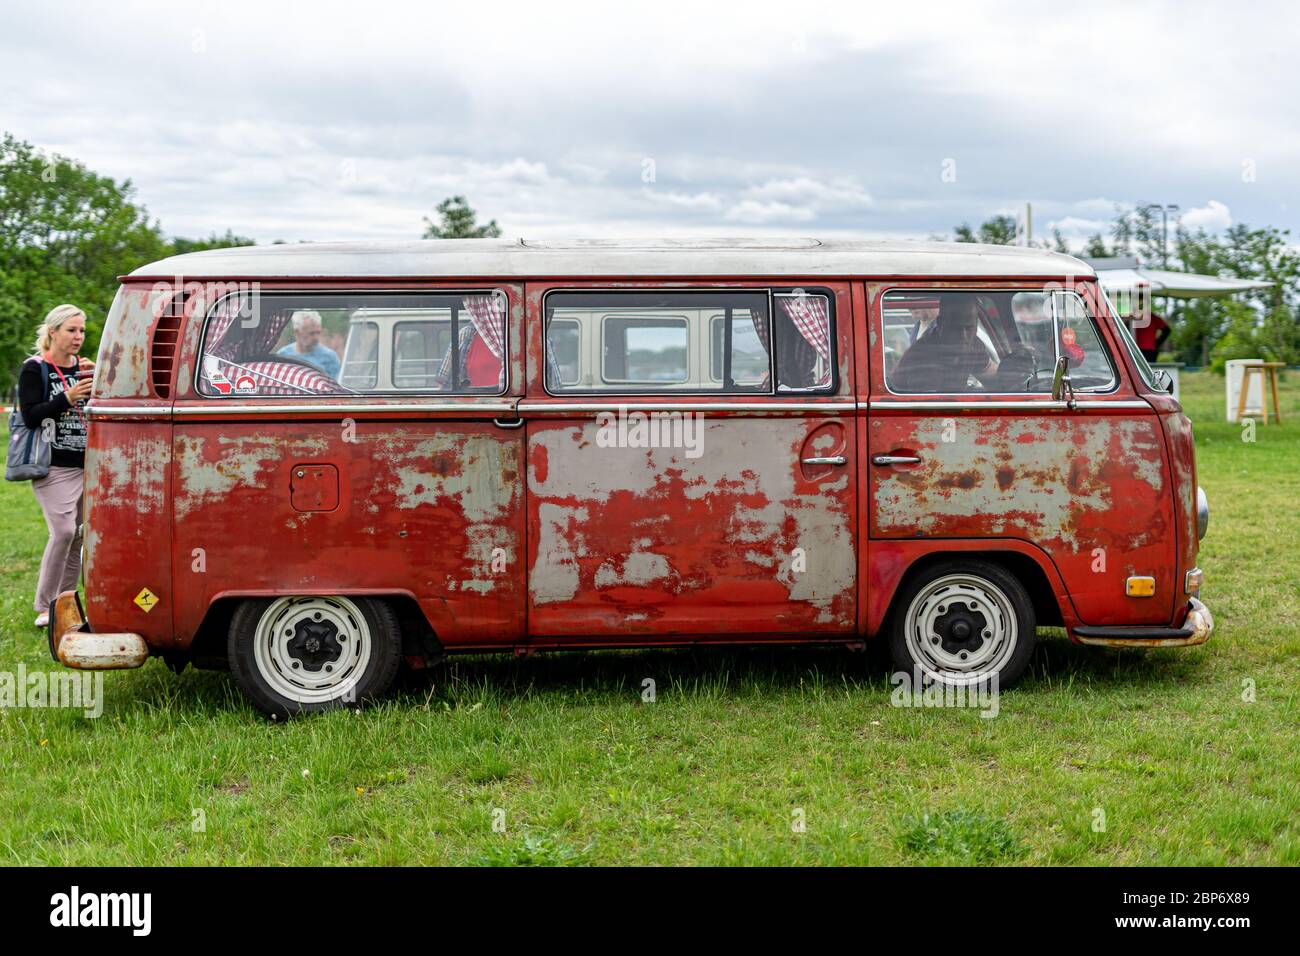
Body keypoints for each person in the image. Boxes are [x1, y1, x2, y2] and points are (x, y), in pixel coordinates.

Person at [19, 305, 94, 628]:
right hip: (53, 466)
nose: (78, 337)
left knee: (78, 535)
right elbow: (31, 416)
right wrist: (68, 396)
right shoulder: (35, 368)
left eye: (82, 331)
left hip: (88, 463)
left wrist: (101, 375)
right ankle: (44, 605)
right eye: (71, 330)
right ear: (53, 332)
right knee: (63, 531)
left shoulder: (86, 368)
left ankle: (64, 603)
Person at [892, 295, 999, 392]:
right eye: (955, 328)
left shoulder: (973, 344)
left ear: (976, 324)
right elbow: (929, 406)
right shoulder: (922, 356)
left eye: (969, 327)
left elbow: (994, 378)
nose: (963, 336)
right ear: (940, 323)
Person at [276, 310, 341, 377]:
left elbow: (335, 385)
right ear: (297, 333)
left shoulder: (330, 358)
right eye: (311, 333)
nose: (316, 337)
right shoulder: (283, 355)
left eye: (318, 332)